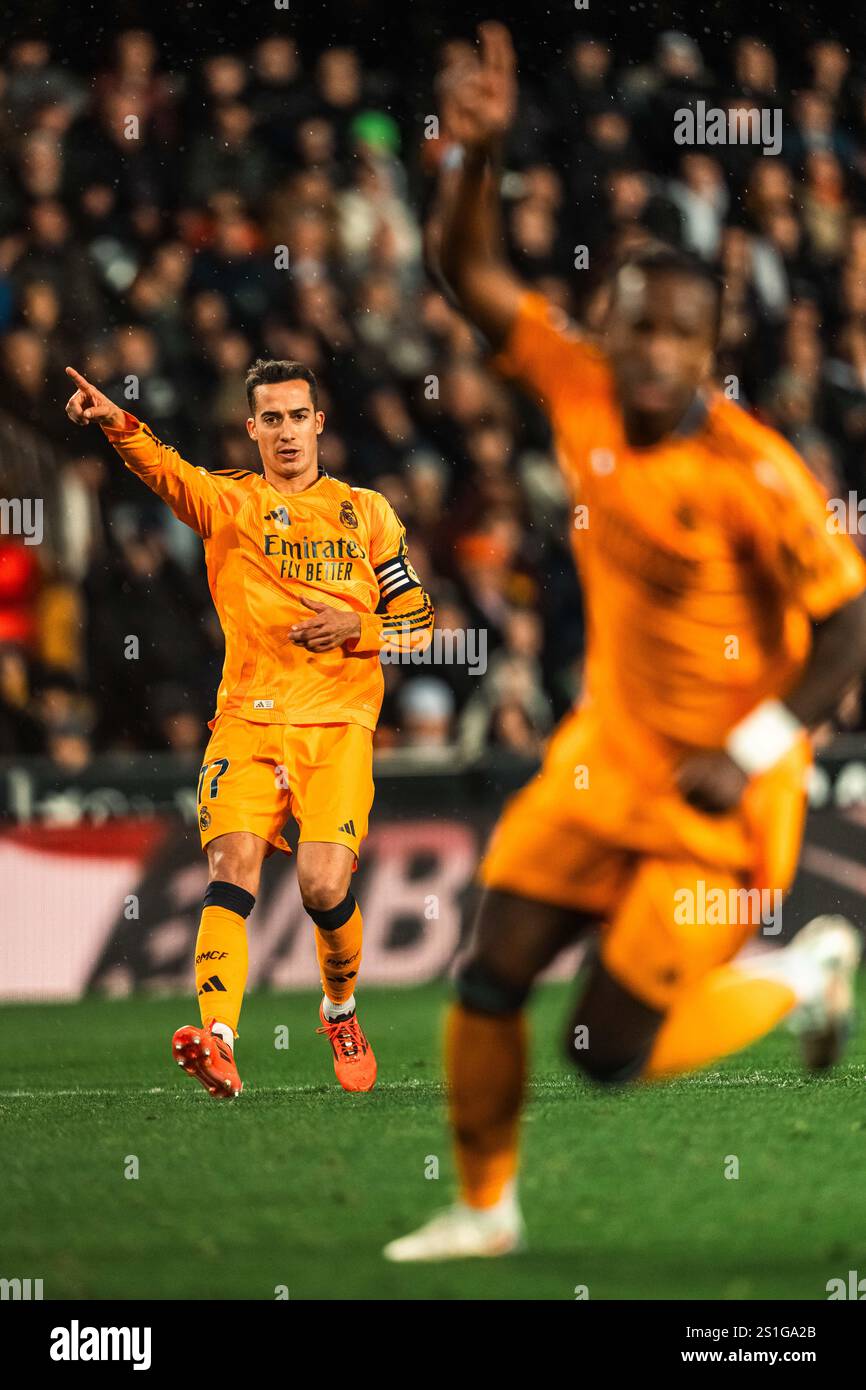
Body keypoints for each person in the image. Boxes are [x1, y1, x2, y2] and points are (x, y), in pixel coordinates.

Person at [385, 23, 866, 1262]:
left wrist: (755, 740)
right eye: (631, 326)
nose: (647, 352)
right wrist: (472, 160)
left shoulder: (756, 476)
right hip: (605, 753)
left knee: (603, 1053)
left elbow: (848, 627)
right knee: (487, 970)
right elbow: (468, 273)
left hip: (721, 798)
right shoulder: (579, 382)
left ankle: (801, 973)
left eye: (672, 336)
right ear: (609, 323)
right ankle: (485, 1210)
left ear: (708, 350)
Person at [64, 357, 433, 1098]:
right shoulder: (228, 502)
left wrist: (355, 626)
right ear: (252, 428)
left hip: (337, 725)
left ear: (319, 422)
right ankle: (220, 1042)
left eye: (299, 416)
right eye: (272, 418)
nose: (287, 432)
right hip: (247, 722)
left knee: (323, 889)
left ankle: (340, 1009)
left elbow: (420, 622)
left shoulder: (367, 512)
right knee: (231, 867)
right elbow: (166, 470)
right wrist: (116, 425)